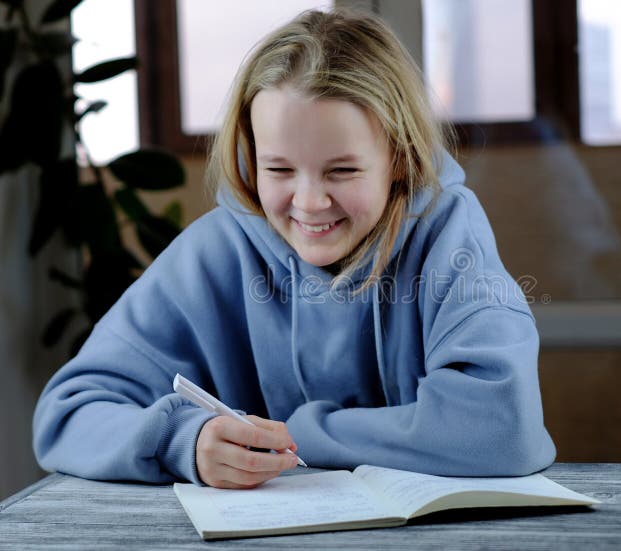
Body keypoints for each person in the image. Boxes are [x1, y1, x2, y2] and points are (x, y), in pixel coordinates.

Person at [33, 9, 555, 489]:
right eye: (278, 169)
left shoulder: (446, 234)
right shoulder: (212, 253)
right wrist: (184, 441)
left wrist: (297, 434)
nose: (308, 202)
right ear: (249, 154)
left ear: (399, 156)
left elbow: (501, 428)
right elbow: (67, 414)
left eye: (342, 170)